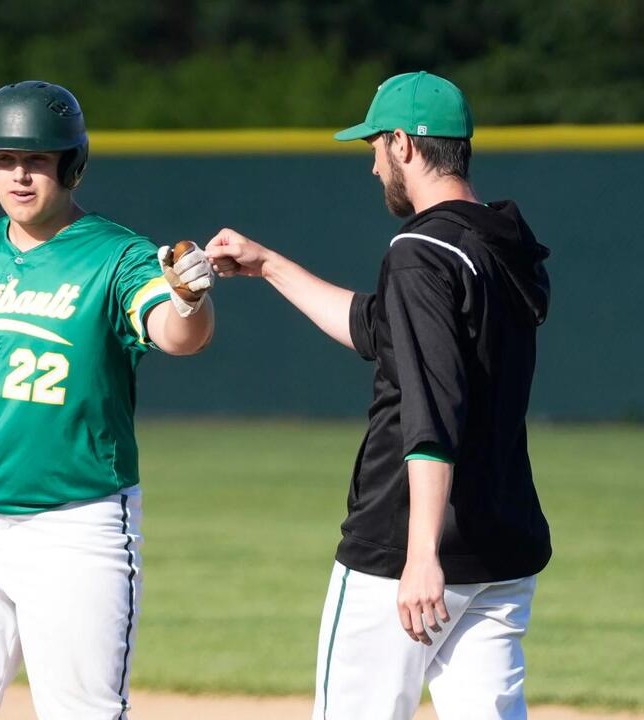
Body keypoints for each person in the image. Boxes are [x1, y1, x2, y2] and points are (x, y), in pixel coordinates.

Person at [205, 71, 551, 720]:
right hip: (499, 550)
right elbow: (377, 328)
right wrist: (269, 265)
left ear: (404, 146)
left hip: (402, 553)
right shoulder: (501, 247)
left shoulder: (420, 250)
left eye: (374, 146)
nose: (371, 165)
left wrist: (421, 554)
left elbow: (431, 413)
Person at [0, 80, 215, 720]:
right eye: (5, 159)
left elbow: (178, 335)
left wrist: (189, 298)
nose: (19, 175)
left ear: (71, 165)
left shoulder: (118, 255)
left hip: (76, 524)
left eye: (38, 160)